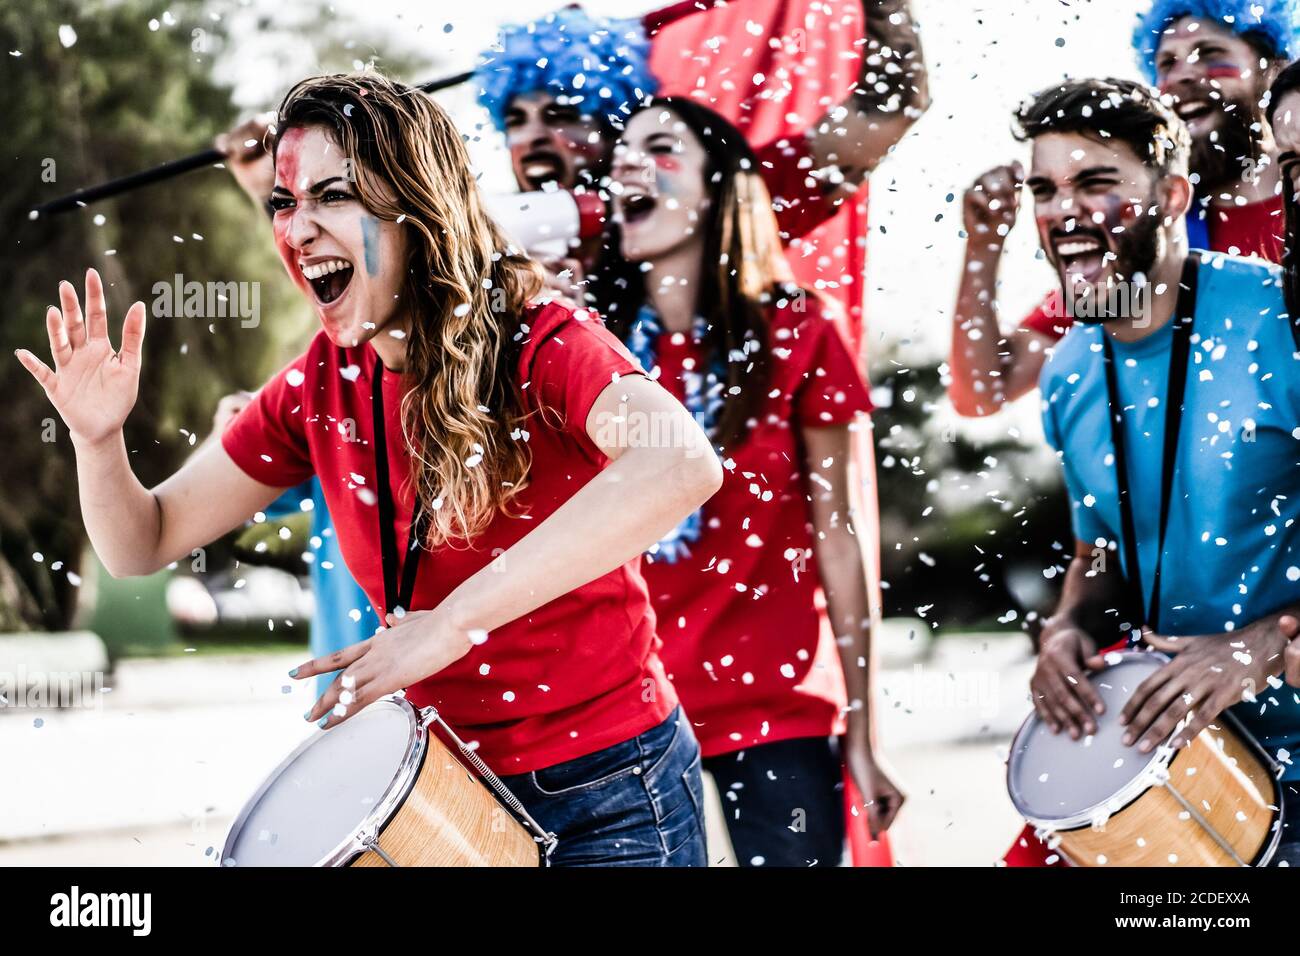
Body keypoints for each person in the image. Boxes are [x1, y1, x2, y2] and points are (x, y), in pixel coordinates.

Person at [16, 72, 723, 867]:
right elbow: (141, 542)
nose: (297, 228)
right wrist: (98, 440)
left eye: (333, 196)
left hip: (611, 788)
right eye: (285, 203)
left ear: (418, 207)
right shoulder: (318, 384)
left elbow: (680, 463)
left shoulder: (541, 340)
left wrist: (451, 624)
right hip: (436, 791)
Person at [593, 97, 904, 866]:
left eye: (660, 148)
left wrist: (863, 734)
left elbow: (841, 538)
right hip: (622, 717)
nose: (628, 165)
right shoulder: (585, 342)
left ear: (720, 189)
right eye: (620, 153)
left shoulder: (801, 330)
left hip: (777, 716)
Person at [1016, 77, 1300, 865]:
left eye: (1095, 182)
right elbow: (1100, 554)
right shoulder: (1067, 372)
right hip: (1180, 762)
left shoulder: (1283, 320)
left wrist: (1262, 647)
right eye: (1043, 188)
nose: (1061, 212)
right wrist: (1066, 629)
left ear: (1173, 194)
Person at [949, 0, 1297, 418]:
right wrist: (983, 245)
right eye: (1166, 63)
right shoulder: (1155, 239)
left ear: (1273, 68)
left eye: (1211, 54)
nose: (1182, 73)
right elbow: (984, 391)